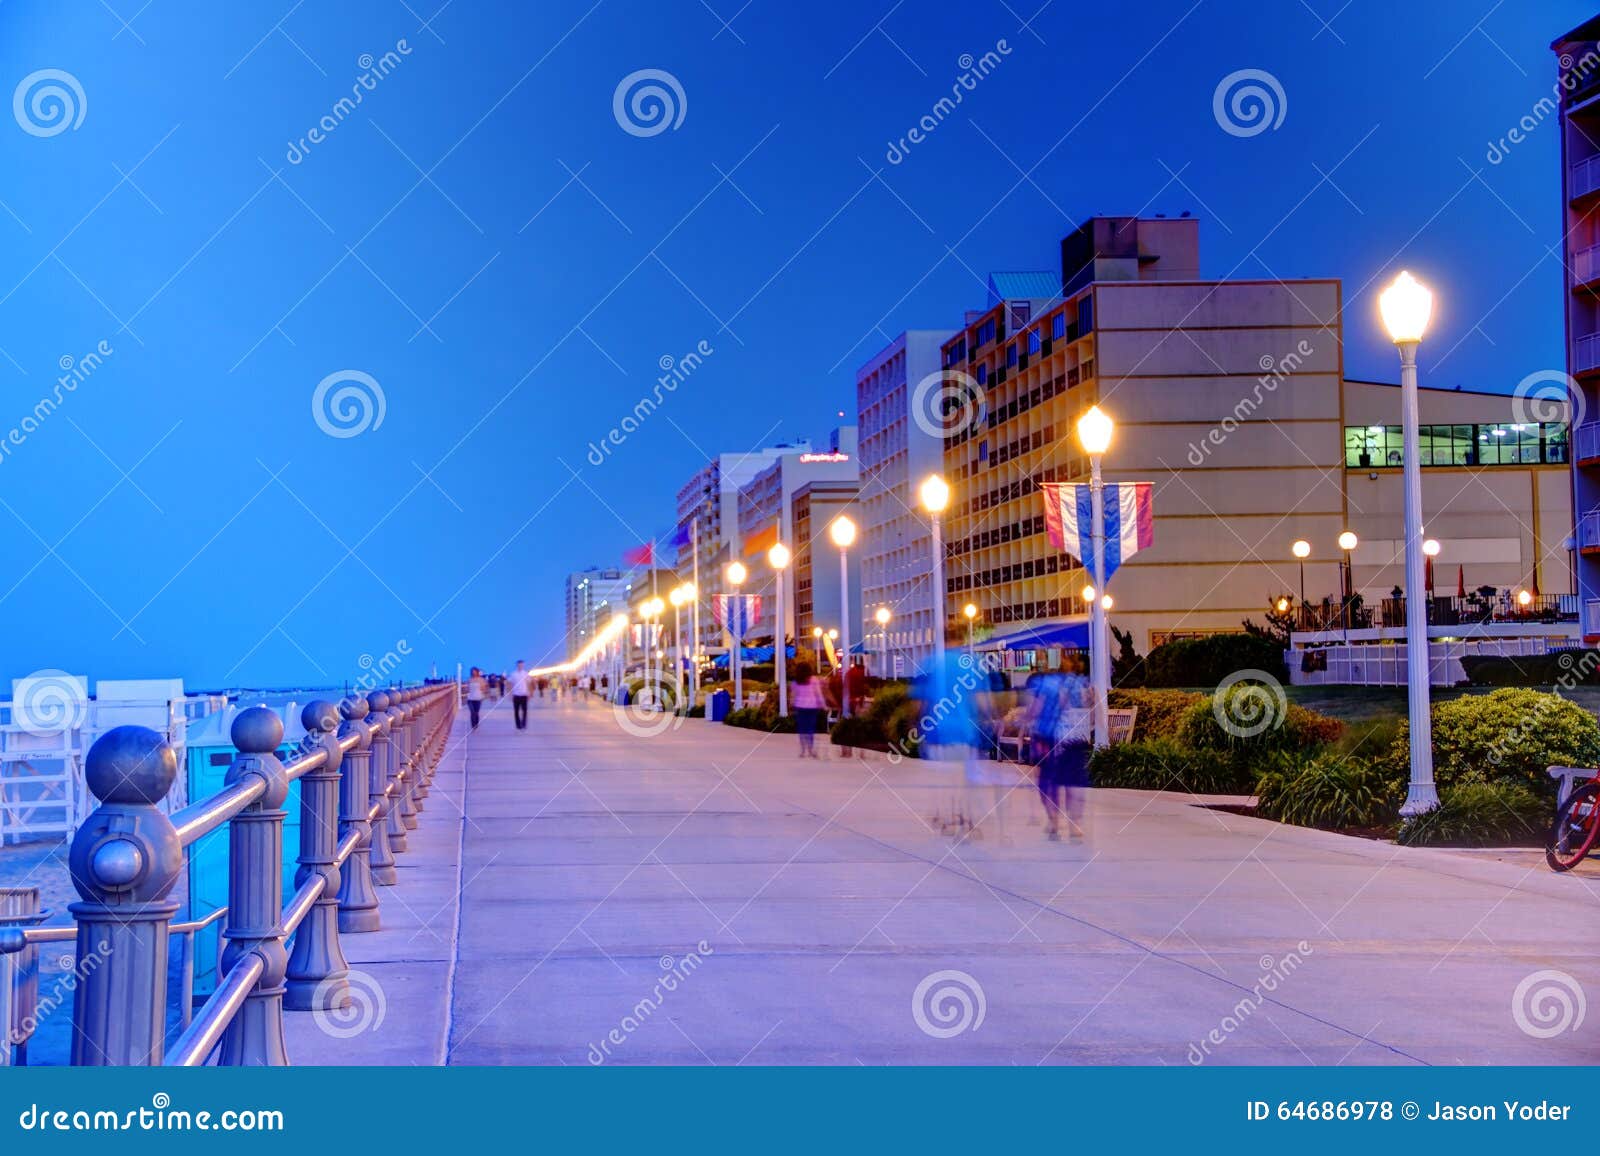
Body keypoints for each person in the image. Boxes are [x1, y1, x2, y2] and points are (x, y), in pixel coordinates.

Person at [1033, 654, 1092, 842]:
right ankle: (1074, 824)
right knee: (1073, 782)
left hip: (1054, 737)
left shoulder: (1049, 683)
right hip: (1076, 738)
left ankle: (1054, 821)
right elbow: (1092, 708)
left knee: (1049, 782)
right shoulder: (1083, 683)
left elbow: (1041, 709)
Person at [792, 662, 826, 759]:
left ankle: (803, 750)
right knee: (810, 729)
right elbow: (818, 694)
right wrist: (823, 705)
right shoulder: (814, 680)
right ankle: (811, 750)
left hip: (800, 707)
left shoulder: (795, 682)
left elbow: (793, 696)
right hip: (812, 707)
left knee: (802, 729)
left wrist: (791, 705)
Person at [509, 660, 532, 730]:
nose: (520, 666)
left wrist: (529, 693)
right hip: (516, 695)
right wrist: (510, 694)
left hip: (524, 694)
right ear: (517, 665)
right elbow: (510, 684)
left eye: (522, 665)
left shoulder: (525, 673)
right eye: (519, 665)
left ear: (523, 665)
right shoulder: (513, 674)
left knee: (524, 711)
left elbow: (528, 684)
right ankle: (518, 725)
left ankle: (524, 724)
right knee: (516, 711)